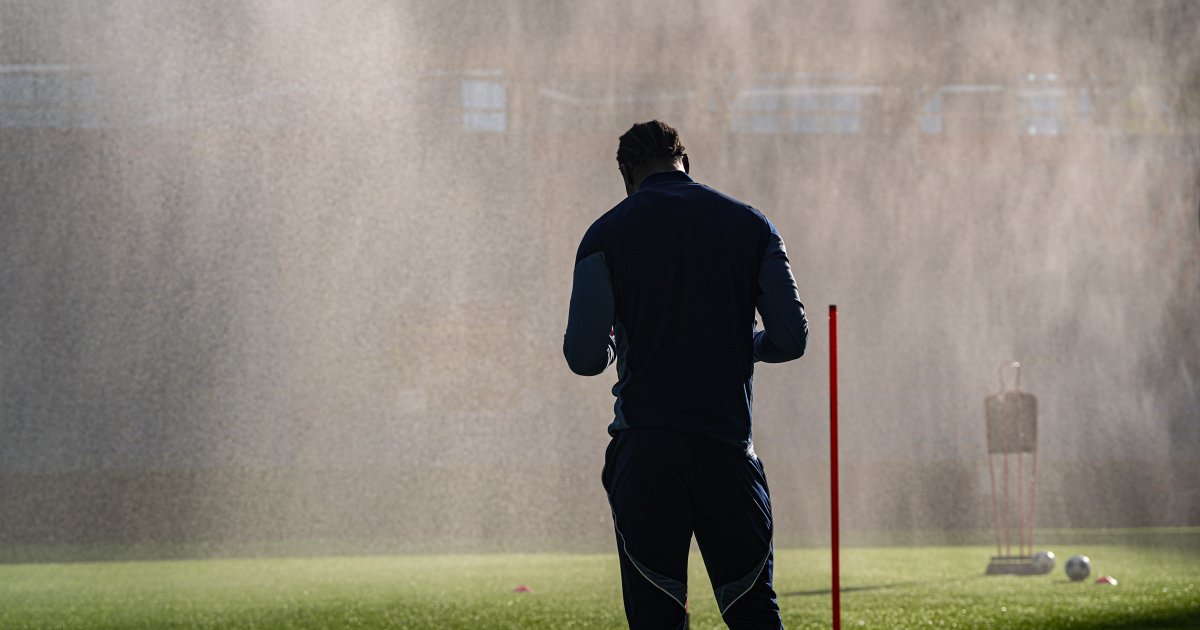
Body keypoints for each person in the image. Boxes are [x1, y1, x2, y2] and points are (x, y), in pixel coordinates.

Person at [563, 120, 809, 629]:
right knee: (753, 612)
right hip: (727, 452)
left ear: (626, 175)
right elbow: (791, 339)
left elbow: (584, 356)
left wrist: (616, 342)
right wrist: (746, 345)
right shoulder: (752, 225)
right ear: (686, 162)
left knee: (658, 614)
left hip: (647, 455)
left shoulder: (605, 233)